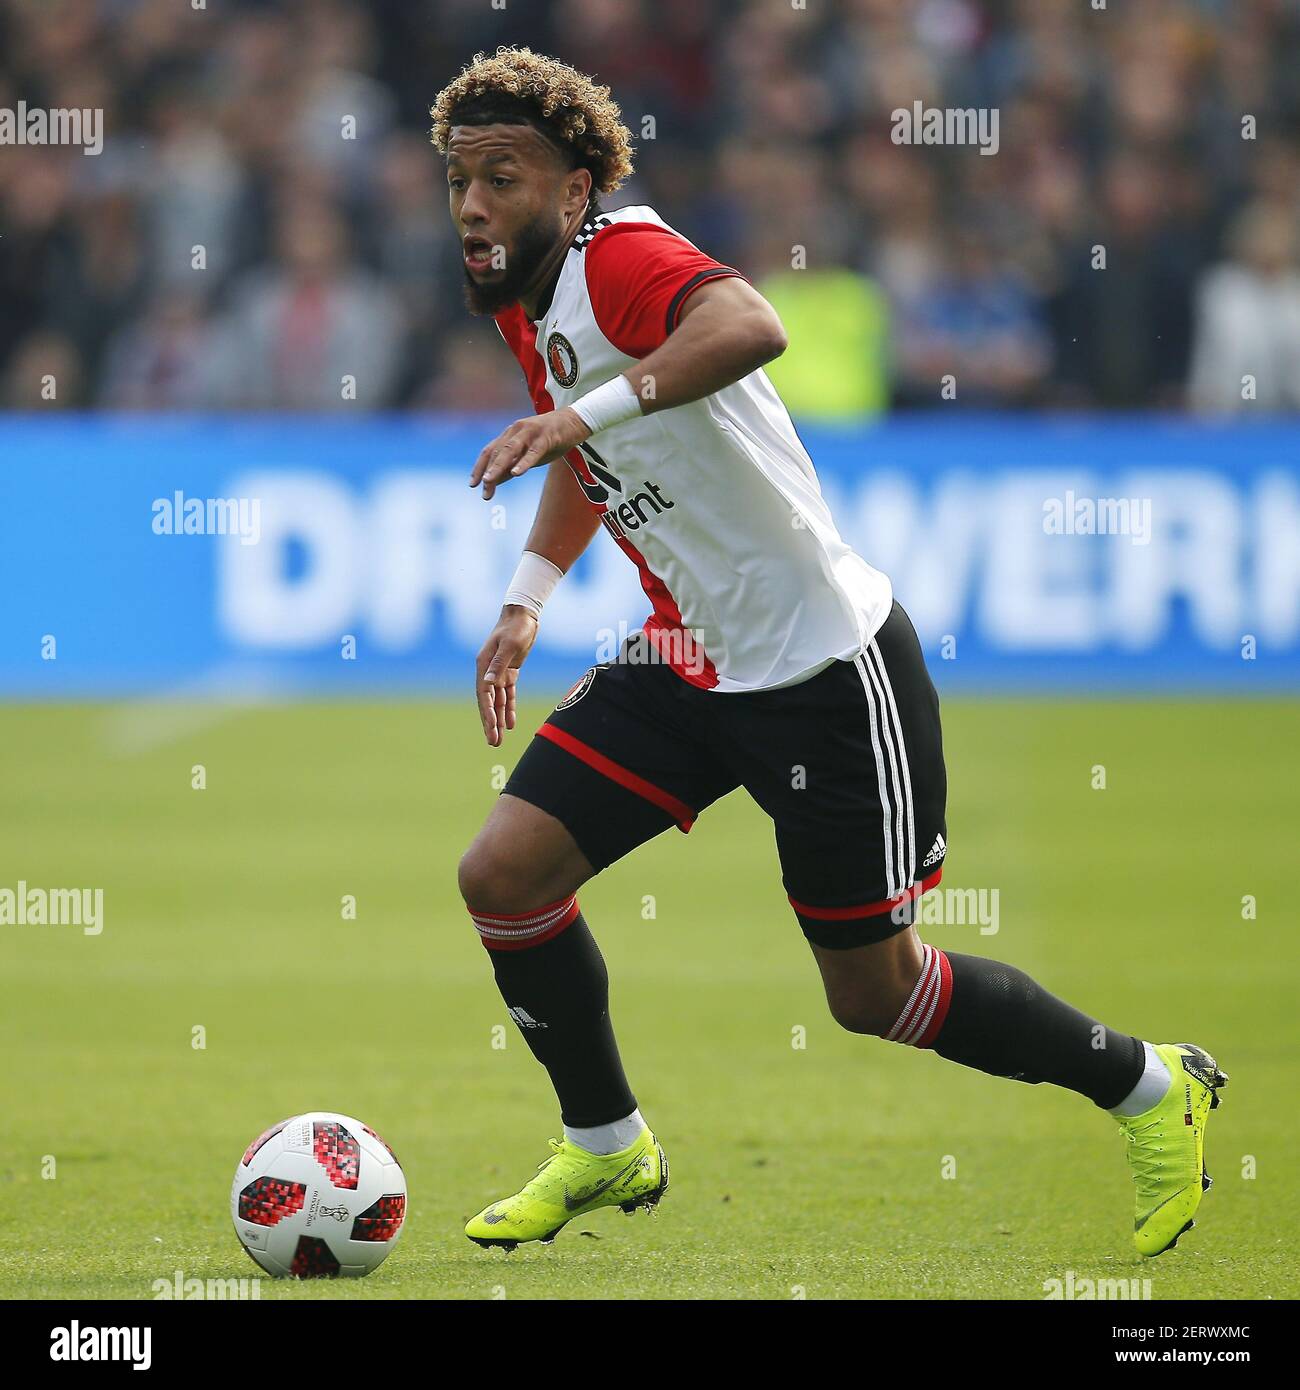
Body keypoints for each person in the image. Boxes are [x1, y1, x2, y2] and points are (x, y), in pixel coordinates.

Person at [433, 47, 1226, 1256]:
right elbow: (592, 460)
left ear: (578, 188)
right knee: (505, 874)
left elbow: (749, 324)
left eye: (503, 176)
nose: (476, 204)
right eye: (459, 180)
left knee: (876, 993)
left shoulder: (623, 256)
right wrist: (528, 597)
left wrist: (573, 415)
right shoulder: (518, 297)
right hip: (690, 658)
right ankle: (605, 1145)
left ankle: (1148, 1086)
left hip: (821, 669)